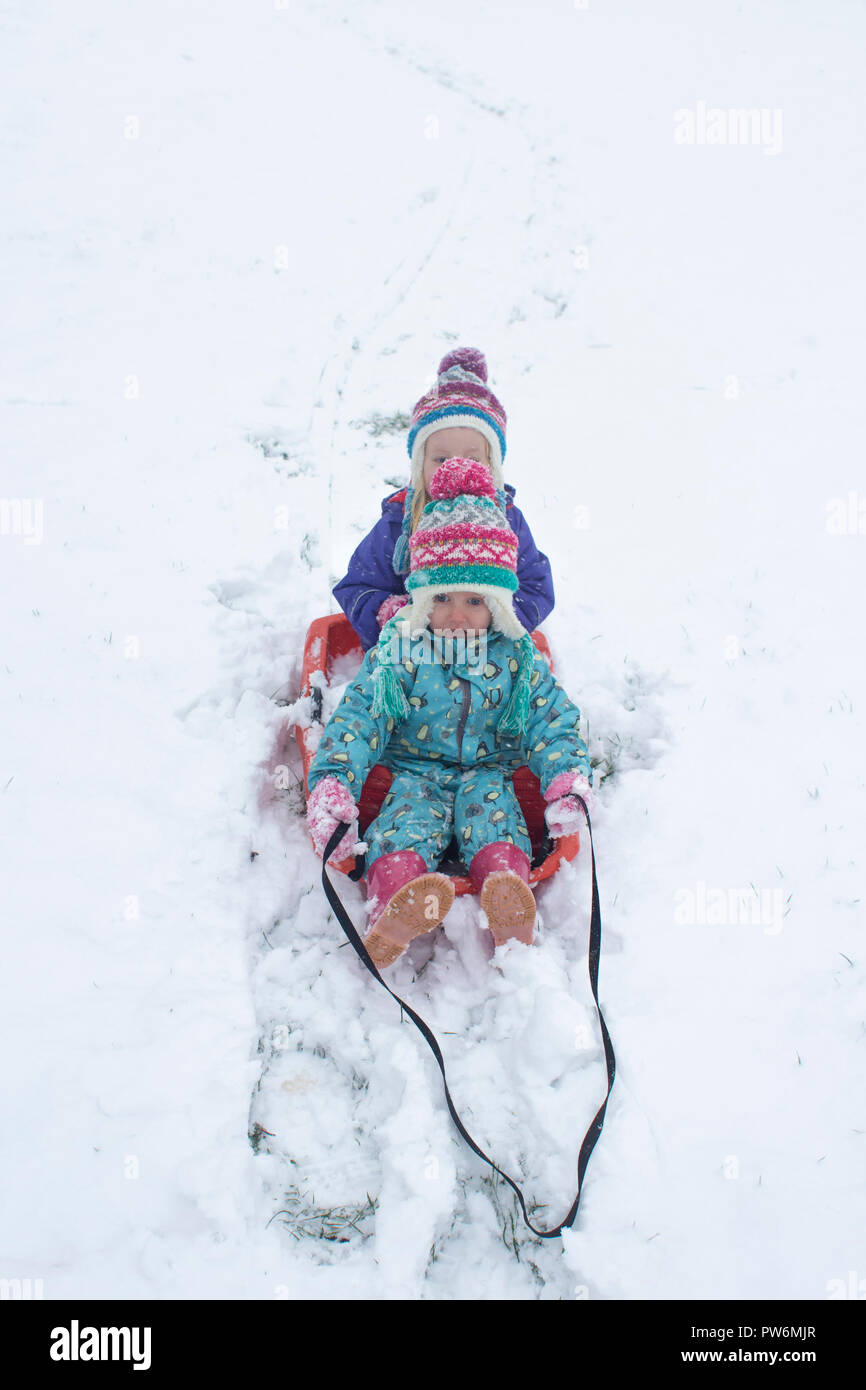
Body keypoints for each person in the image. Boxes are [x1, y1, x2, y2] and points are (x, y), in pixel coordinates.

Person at [307, 457, 592, 970]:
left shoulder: (515, 655)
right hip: (414, 773)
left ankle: (506, 897)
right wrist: (334, 784)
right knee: (403, 827)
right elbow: (361, 717)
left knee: (497, 827)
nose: (457, 613)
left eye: (474, 600)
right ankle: (396, 901)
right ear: (419, 598)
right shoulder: (402, 650)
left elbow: (551, 718)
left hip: (489, 772)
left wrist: (566, 777)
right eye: (441, 597)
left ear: (500, 605)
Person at [333, 346, 555, 651]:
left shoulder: (506, 523)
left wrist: (494, 617)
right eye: (440, 458)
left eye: (473, 458)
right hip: (412, 656)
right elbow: (357, 587)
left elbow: (537, 587)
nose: (455, 466)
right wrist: (400, 616)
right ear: (419, 465)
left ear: (492, 467)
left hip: (485, 656)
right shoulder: (400, 523)